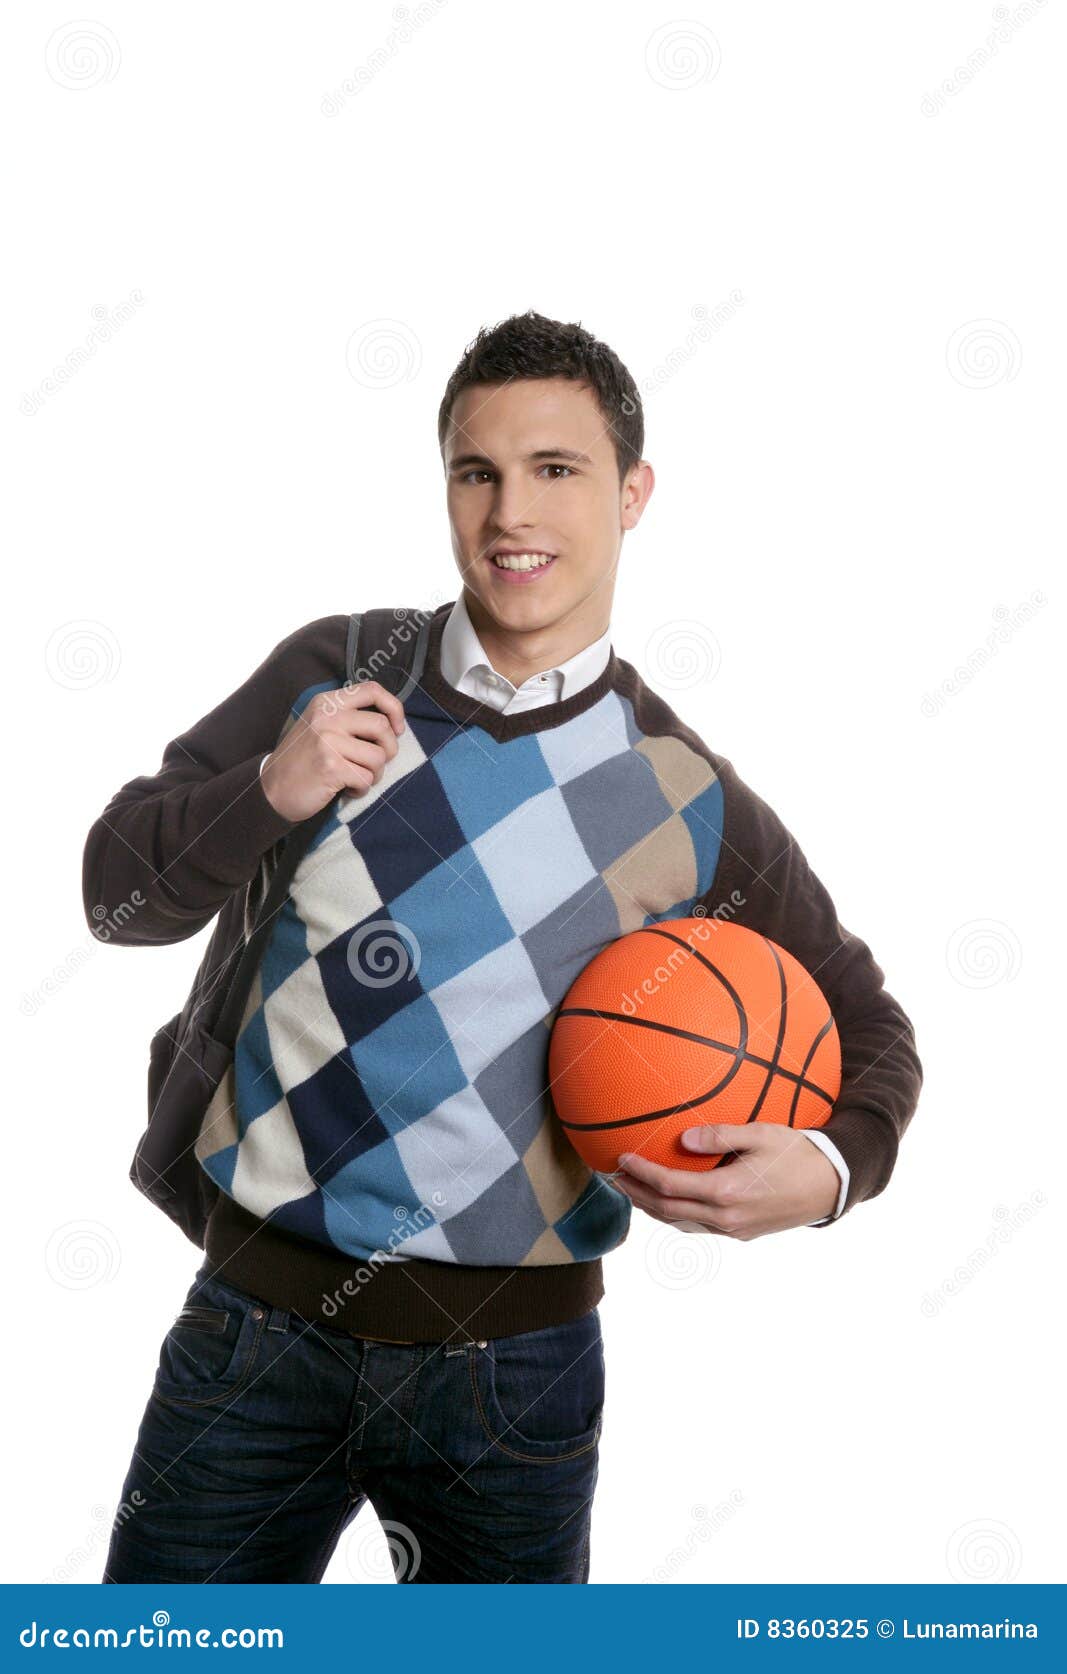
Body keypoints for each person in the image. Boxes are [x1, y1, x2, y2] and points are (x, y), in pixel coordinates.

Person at [83, 310, 922, 1584]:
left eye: (556, 470)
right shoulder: (339, 671)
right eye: (475, 472)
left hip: (511, 1382)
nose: (508, 511)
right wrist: (267, 785)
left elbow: (870, 1032)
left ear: (633, 494)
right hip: (252, 1335)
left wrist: (831, 1168)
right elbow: (112, 897)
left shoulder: (681, 792)